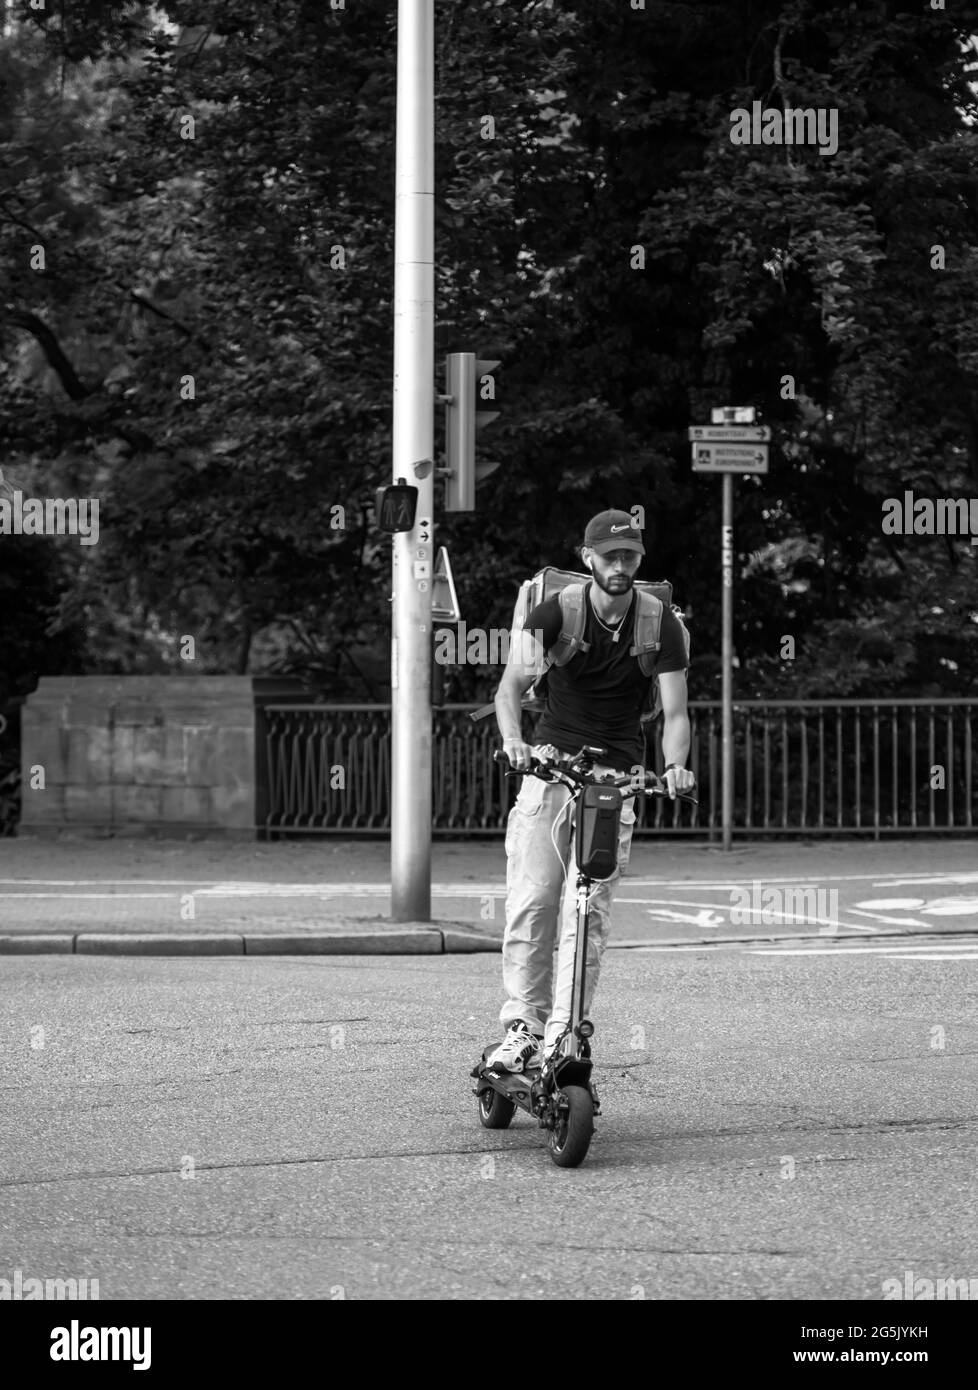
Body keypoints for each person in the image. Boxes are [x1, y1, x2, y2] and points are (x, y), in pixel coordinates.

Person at [488, 508, 695, 1073]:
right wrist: (514, 741)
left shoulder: (660, 623)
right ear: (589, 559)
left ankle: (564, 1033)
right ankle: (523, 1030)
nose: (621, 566)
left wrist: (676, 766)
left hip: (616, 781)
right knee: (533, 902)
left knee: (588, 913)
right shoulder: (559, 611)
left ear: (640, 559)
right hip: (551, 768)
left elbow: (675, 713)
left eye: (630, 556)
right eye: (611, 557)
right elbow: (511, 688)